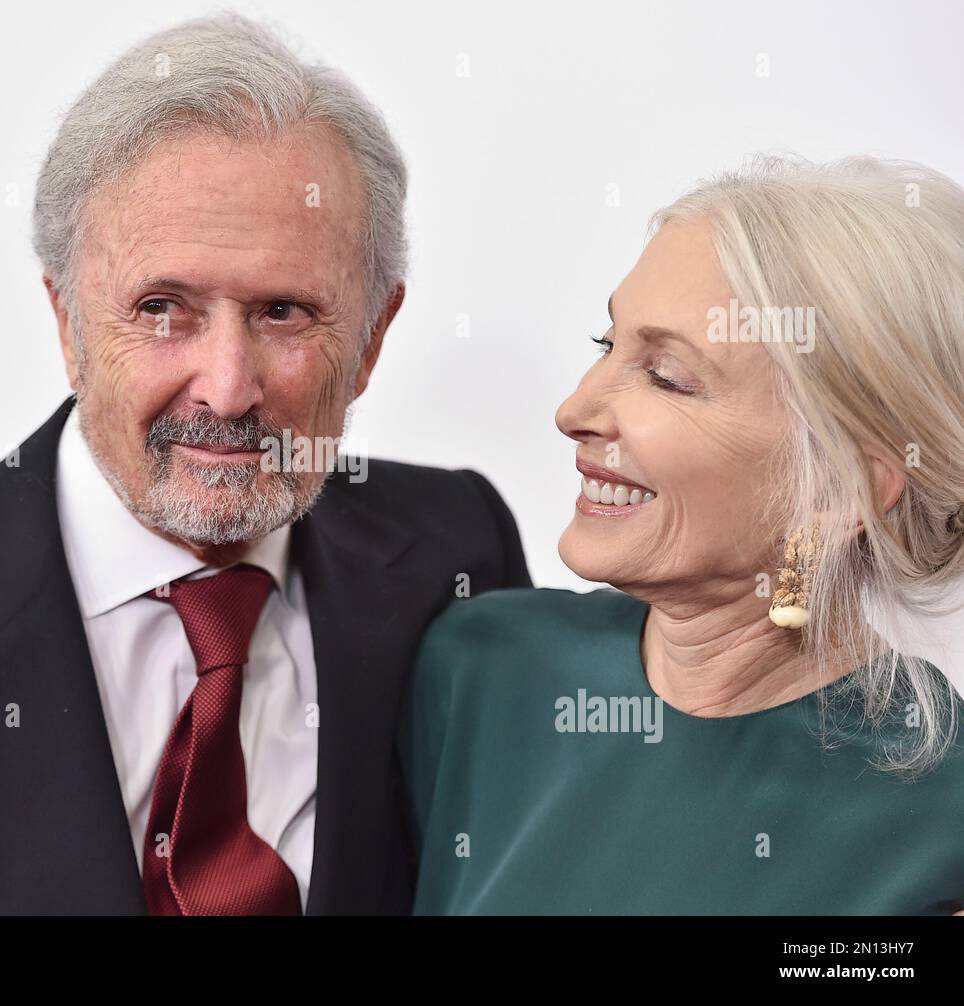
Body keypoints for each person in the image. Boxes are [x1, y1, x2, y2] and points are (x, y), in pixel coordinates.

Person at [0, 13, 530, 916]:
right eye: (162, 308)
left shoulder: (452, 556)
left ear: (372, 337)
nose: (227, 388)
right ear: (68, 323)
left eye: (284, 311)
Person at [399, 155, 964, 915]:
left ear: (838, 488)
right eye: (606, 346)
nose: (575, 407)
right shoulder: (477, 667)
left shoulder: (940, 825)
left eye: (666, 376)